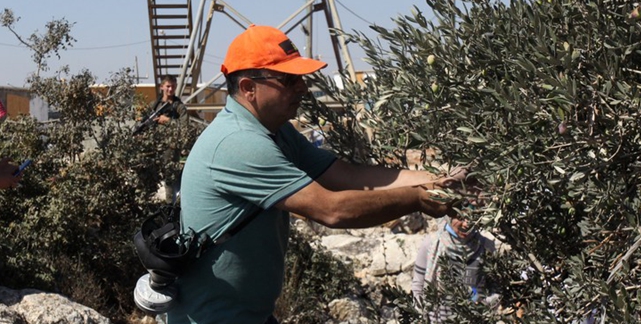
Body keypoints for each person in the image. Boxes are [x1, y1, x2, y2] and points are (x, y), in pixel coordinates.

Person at [167, 25, 467, 324]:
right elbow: (332, 210)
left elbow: (350, 177)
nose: (302, 88)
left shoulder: (278, 131)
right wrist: (418, 198)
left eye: (301, 78)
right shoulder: (238, 143)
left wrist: (443, 180)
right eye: (289, 79)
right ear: (248, 88)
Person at [411, 213, 497, 323]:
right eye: (460, 218)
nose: (466, 224)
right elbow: (418, 285)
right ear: (449, 216)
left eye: (471, 217)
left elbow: (497, 287)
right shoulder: (431, 244)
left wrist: (483, 305)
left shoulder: (485, 246)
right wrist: (420, 314)